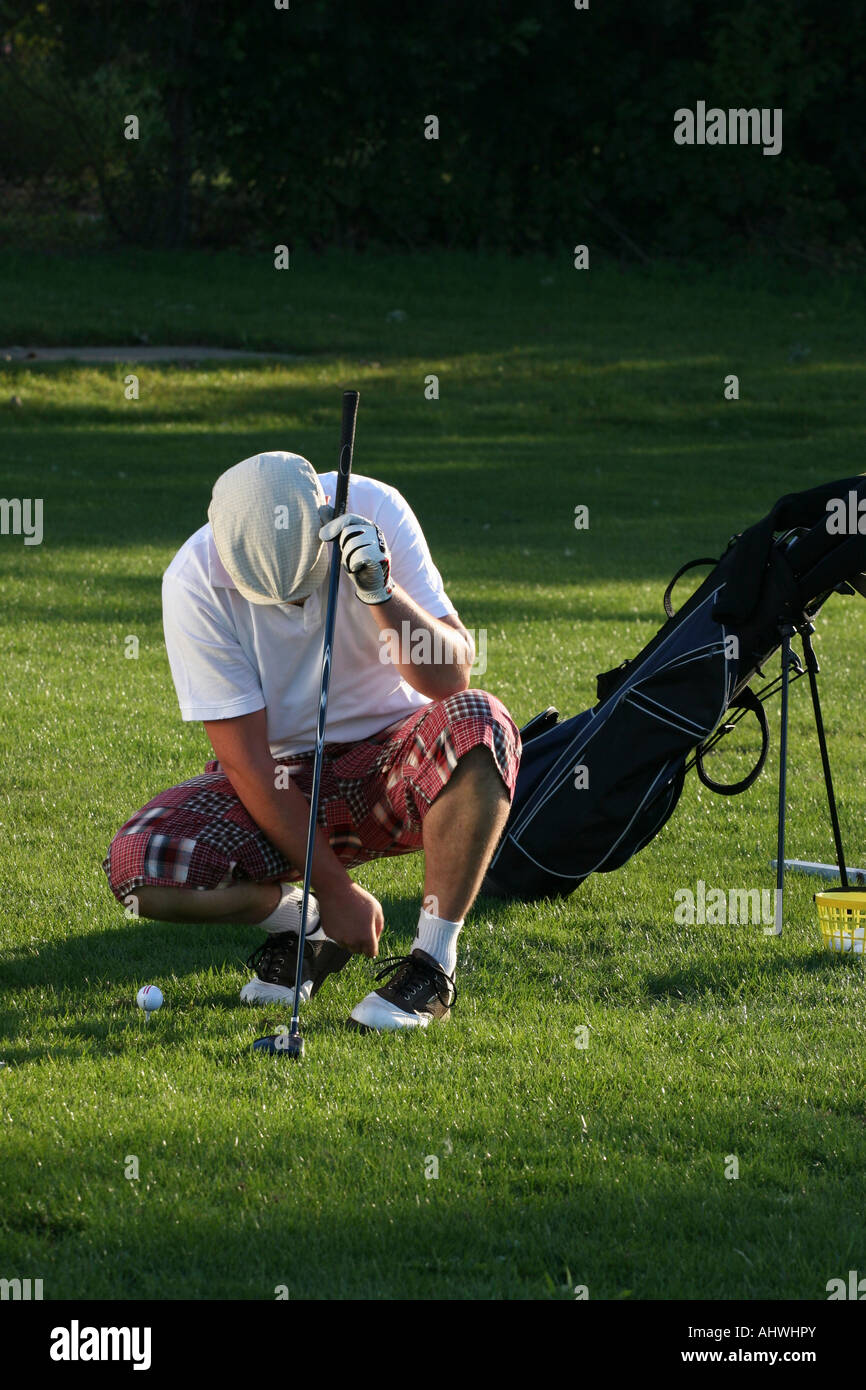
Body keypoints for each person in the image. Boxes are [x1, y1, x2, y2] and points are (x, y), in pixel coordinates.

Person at [102, 451, 521, 1032]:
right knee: (138, 869)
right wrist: (336, 890)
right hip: (279, 785)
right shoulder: (192, 578)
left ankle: (432, 963)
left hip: (398, 764)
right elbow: (247, 763)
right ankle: (309, 921)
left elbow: (451, 679)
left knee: (480, 721)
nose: (293, 606)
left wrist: (379, 589)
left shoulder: (376, 507)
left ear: (327, 517)